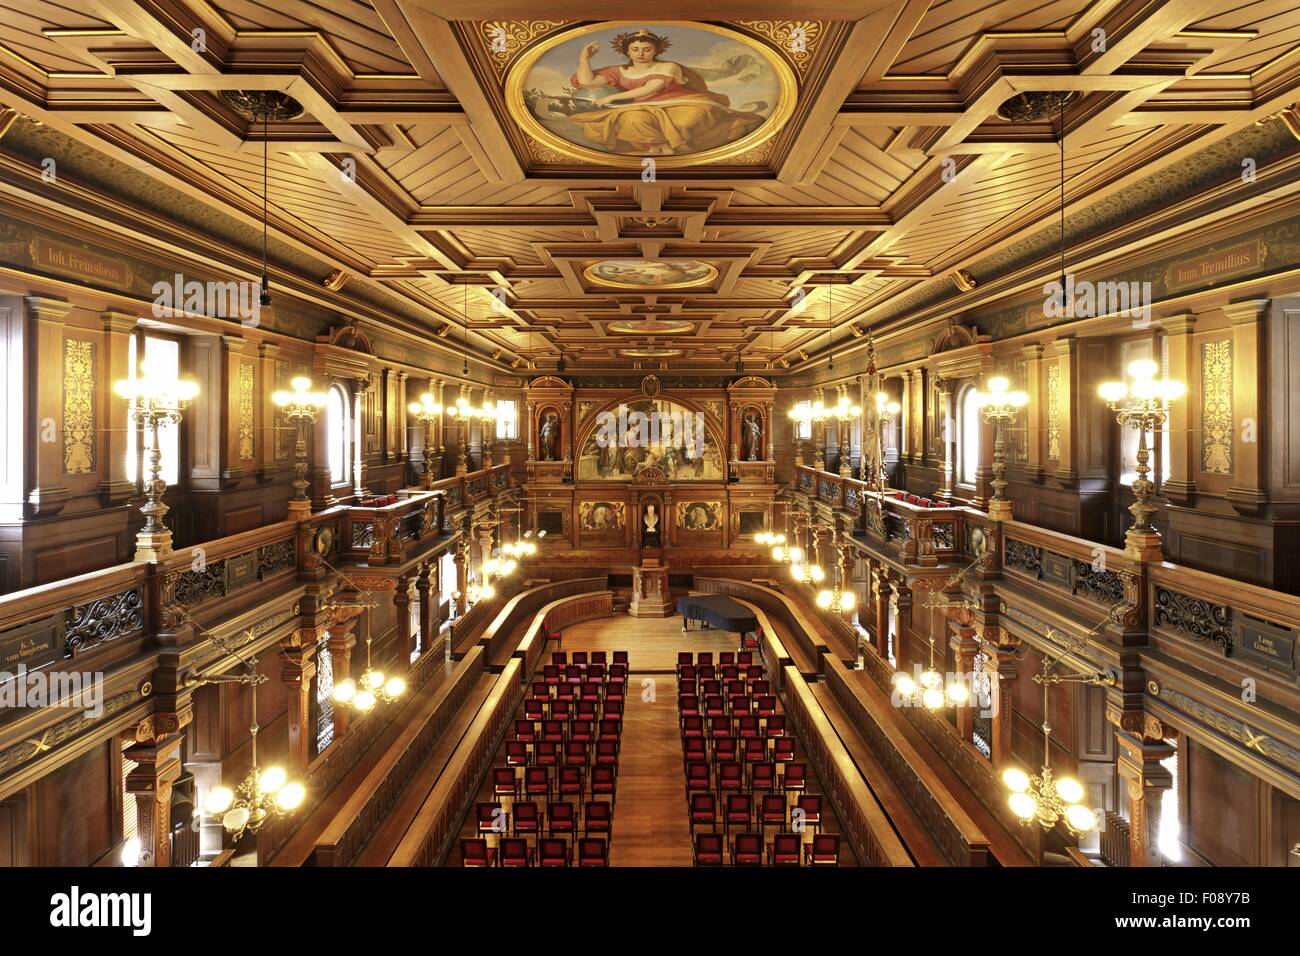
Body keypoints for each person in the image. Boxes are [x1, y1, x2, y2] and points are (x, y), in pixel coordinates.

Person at [567, 30, 765, 156]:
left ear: (655, 51)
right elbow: (587, 82)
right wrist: (584, 58)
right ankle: (657, 145)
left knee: (684, 124)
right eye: (635, 49)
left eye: (646, 49)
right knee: (632, 119)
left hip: (682, 102)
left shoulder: (669, 67)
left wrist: (612, 97)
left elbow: (649, 89)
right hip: (638, 108)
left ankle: (667, 145)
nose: (640, 53)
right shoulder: (618, 72)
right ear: (627, 52)